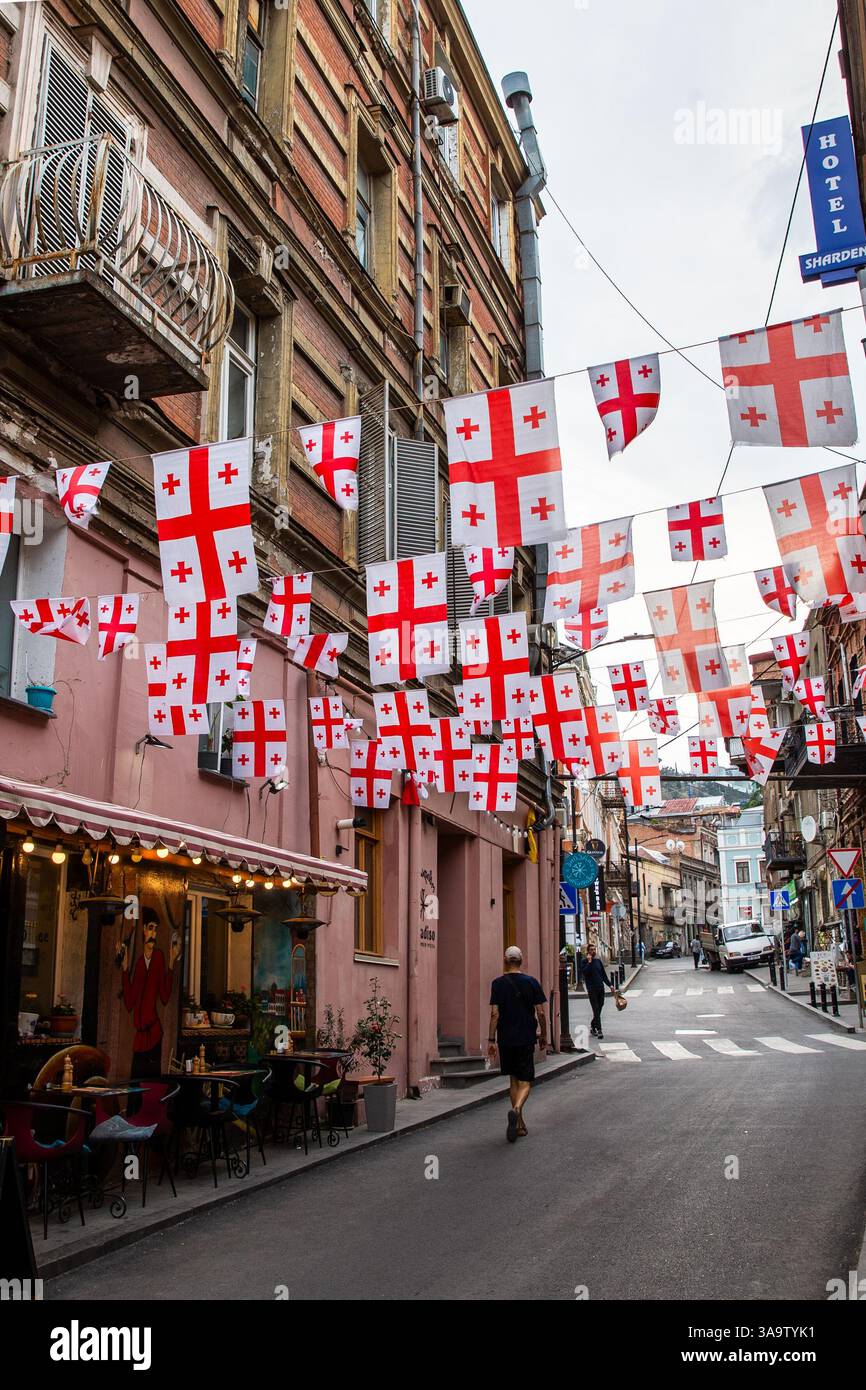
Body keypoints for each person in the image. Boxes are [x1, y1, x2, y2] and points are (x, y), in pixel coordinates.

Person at [487, 946, 548, 1143]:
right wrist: (544, 1035)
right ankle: (517, 1110)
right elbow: (540, 1013)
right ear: (521, 961)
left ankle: (520, 1125)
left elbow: (495, 1014)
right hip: (525, 1037)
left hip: (505, 1038)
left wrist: (491, 1040)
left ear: (505, 961)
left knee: (513, 1080)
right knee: (525, 1081)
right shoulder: (531, 982)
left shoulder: (497, 984)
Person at [579, 942, 613, 1040]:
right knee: (596, 1009)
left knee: (600, 1006)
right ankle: (599, 1030)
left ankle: (593, 1024)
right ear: (588, 951)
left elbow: (603, 975)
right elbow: (585, 972)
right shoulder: (584, 962)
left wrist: (610, 985)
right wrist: (589, 962)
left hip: (600, 988)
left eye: (594, 949)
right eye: (591, 950)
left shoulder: (598, 961)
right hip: (592, 989)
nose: (593, 951)